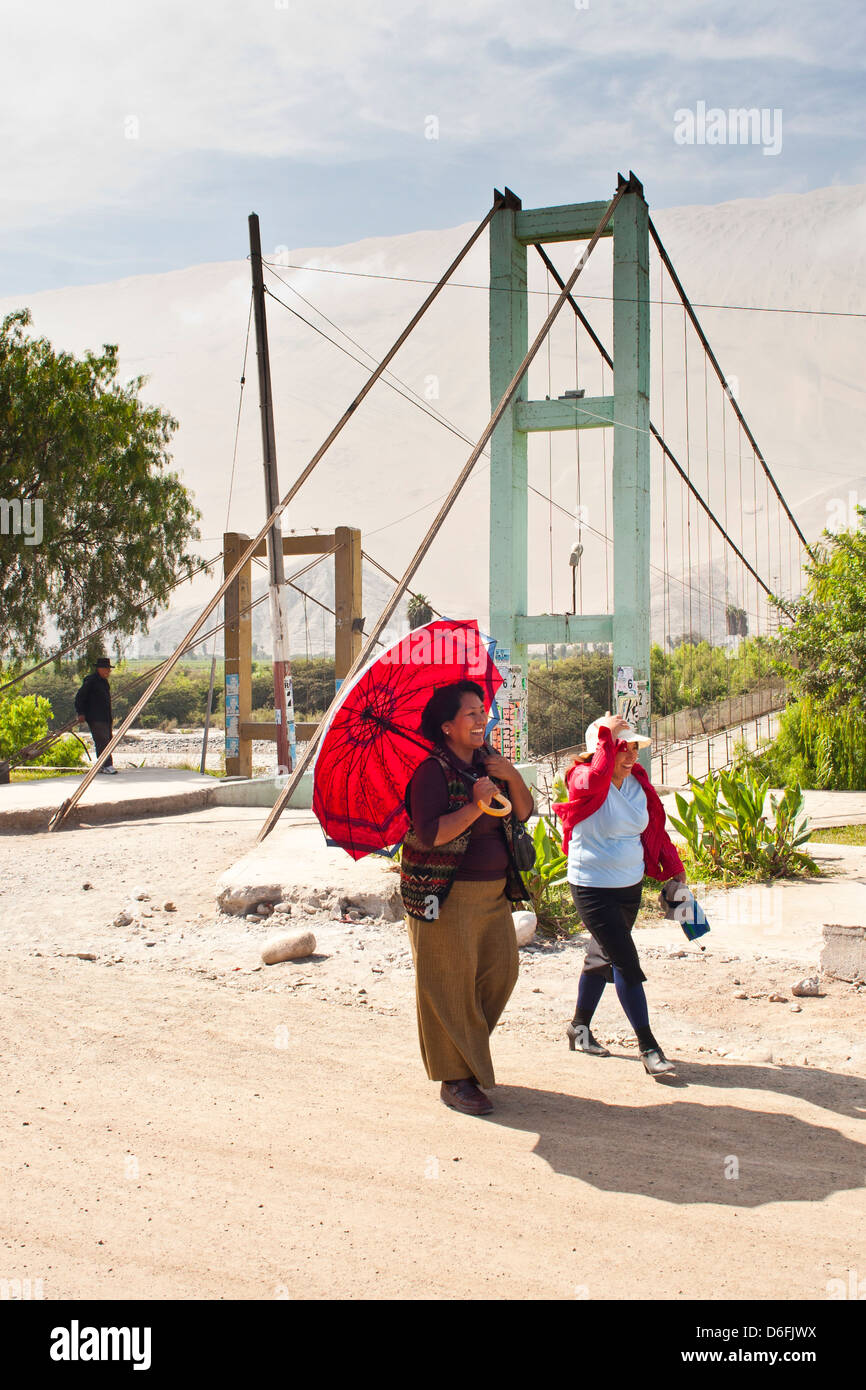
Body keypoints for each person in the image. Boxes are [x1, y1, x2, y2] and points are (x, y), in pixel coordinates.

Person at [400, 680, 534, 1117]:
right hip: (444, 895)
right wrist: (476, 806)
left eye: (483, 711)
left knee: (501, 973)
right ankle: (455, 1080)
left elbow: (523, 812)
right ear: (447, 727)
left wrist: (511, 777)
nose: (482, 719)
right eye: (471, 714)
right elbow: (430, 833)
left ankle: (466, 1057)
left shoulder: (488, 765)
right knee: (446, 984)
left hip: (494, 892)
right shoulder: (431, 773)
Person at [554, 711, 686, 1077]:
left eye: (633, 748)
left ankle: (578, 1028)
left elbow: (655, 828)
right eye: (621, 748)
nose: (630, 755)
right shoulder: (580, 778)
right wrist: (605, 738)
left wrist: (675, 869)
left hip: (629, 887)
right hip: (591, 887)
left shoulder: (637, 783)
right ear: (602, 748)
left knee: (601, 956)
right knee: (626, 961)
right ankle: (649, 1047)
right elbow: (595, 778)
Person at [74, 657, 118, 774]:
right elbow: (80, 697)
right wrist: (81, 713)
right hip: (95, 717)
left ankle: (103, 764)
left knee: (107, 740)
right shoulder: (91, 681)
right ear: (99, 669)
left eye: (109, 669)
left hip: (105, 717)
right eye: (106, 669)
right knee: (102, 740)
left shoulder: (104, 682)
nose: (108, 671)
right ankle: (107, 765)